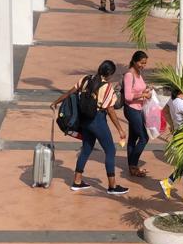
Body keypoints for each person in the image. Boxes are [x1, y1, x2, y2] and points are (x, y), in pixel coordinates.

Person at [50, 60, 128, 195]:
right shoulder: (107, 87)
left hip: (84, 120)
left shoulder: (85, 79)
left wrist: (56, 102)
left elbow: (70, 92)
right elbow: (110, 110)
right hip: (98, 120)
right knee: (110, 150)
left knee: (86, 148)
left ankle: (77, 181)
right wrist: (120, 129)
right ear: (109, 74)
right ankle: (112, 186)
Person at [122, 51, 153, 177]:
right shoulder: (129, 75)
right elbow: (128, 97)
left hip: (139, 108)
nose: (143, 65)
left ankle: (132, 167)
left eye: (145, 63)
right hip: (132, 109)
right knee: (144, 138)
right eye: (141, 63)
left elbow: (139, 89)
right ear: (134, 61)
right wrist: (143, 95)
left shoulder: (139, 73)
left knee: (133, 138)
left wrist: (147, 89)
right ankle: (134, 165)